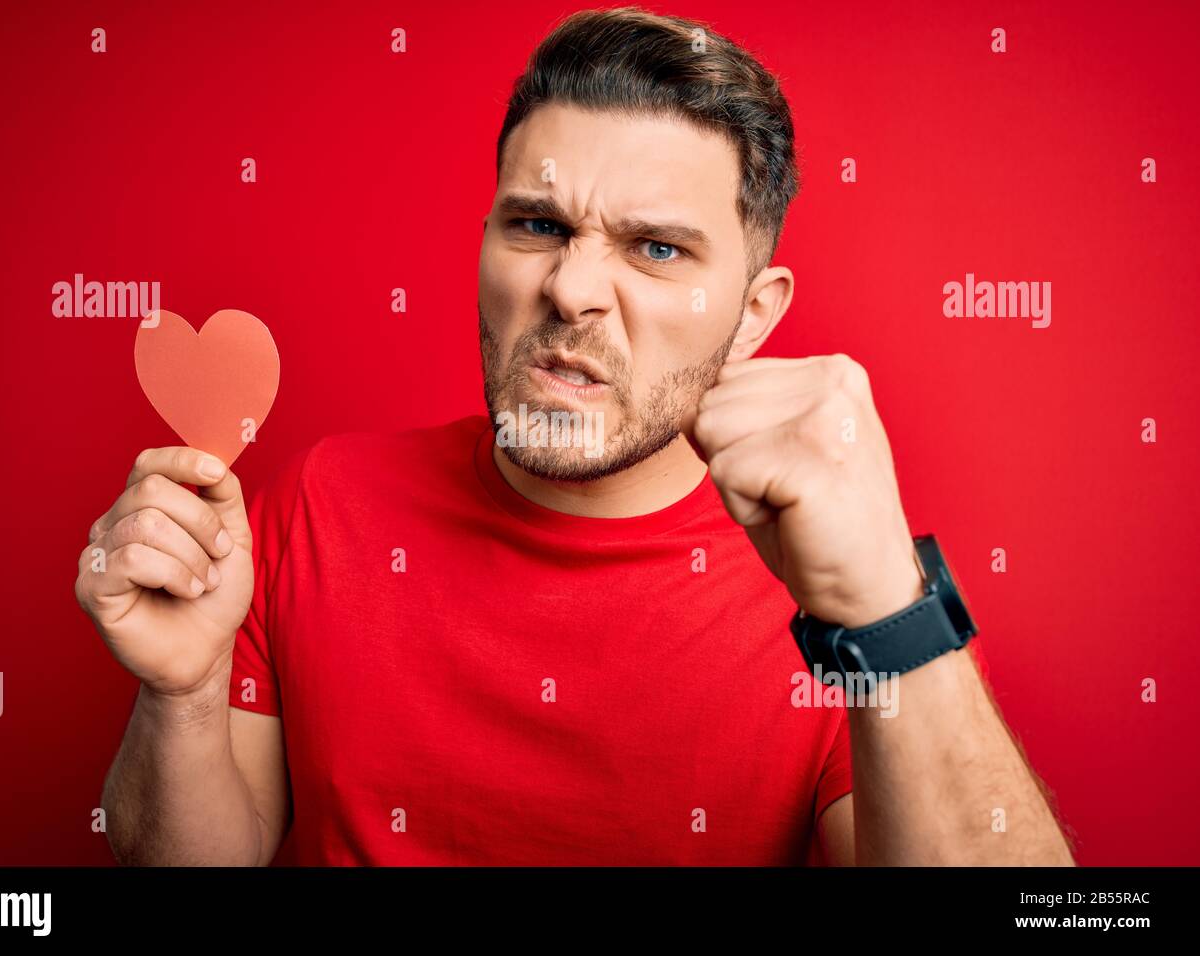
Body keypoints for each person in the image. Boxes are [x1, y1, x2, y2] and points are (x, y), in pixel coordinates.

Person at [76, 6, 1074, 865]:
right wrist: (188, 690)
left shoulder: (844, 591)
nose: (570, 289)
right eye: (539, 226)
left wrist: (884, 614)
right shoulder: (319, 505)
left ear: (755, 311)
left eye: (655, 247)